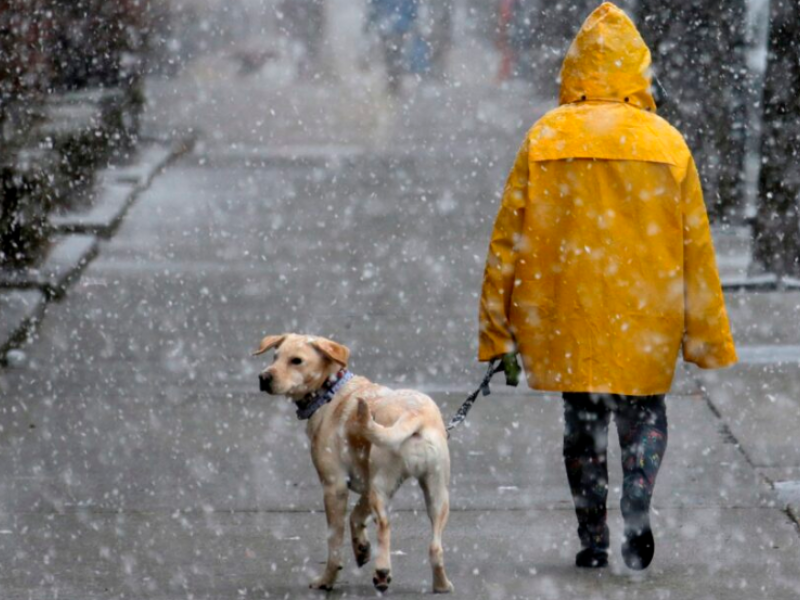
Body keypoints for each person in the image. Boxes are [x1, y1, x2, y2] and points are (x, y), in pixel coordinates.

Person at [478, 2, 737, 570]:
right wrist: (706, 337)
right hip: (646, 311)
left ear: (575, 70)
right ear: (637, 70)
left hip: (571, 312)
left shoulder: (545, 138)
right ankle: (637, 502)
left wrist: (499, 332)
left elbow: (507, 243)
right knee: (643, 414)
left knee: (583, 424)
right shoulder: (667, 143)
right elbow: (696, 248)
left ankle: (592, 538)